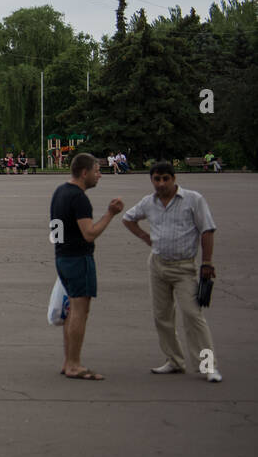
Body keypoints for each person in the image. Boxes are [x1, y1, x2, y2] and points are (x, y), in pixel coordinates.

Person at [121, 162, 222, 382]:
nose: (161, 183)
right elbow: (128, 218)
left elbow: (207, 230)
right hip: (158, 265)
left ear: (174, 178)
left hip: (184, 267)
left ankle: (208, 366)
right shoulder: (149, 202)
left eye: (165, 178)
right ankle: (175, 361)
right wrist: (144, 237)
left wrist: (207, 262)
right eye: (157, 179)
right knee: (162, 317)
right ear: (152, 180)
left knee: (193, 316)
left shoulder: (193, 200)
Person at [50, 153, 123, 380]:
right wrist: (110, 214)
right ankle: (74, 364)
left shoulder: (59, 192)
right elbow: (89, 233)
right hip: (78, 258)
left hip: (62, 256)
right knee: (80, 311)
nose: (99, 175)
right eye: (97, 170)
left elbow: (55, 230)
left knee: (72, 311)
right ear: (85, 172)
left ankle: (68, 361)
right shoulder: (78, 198)